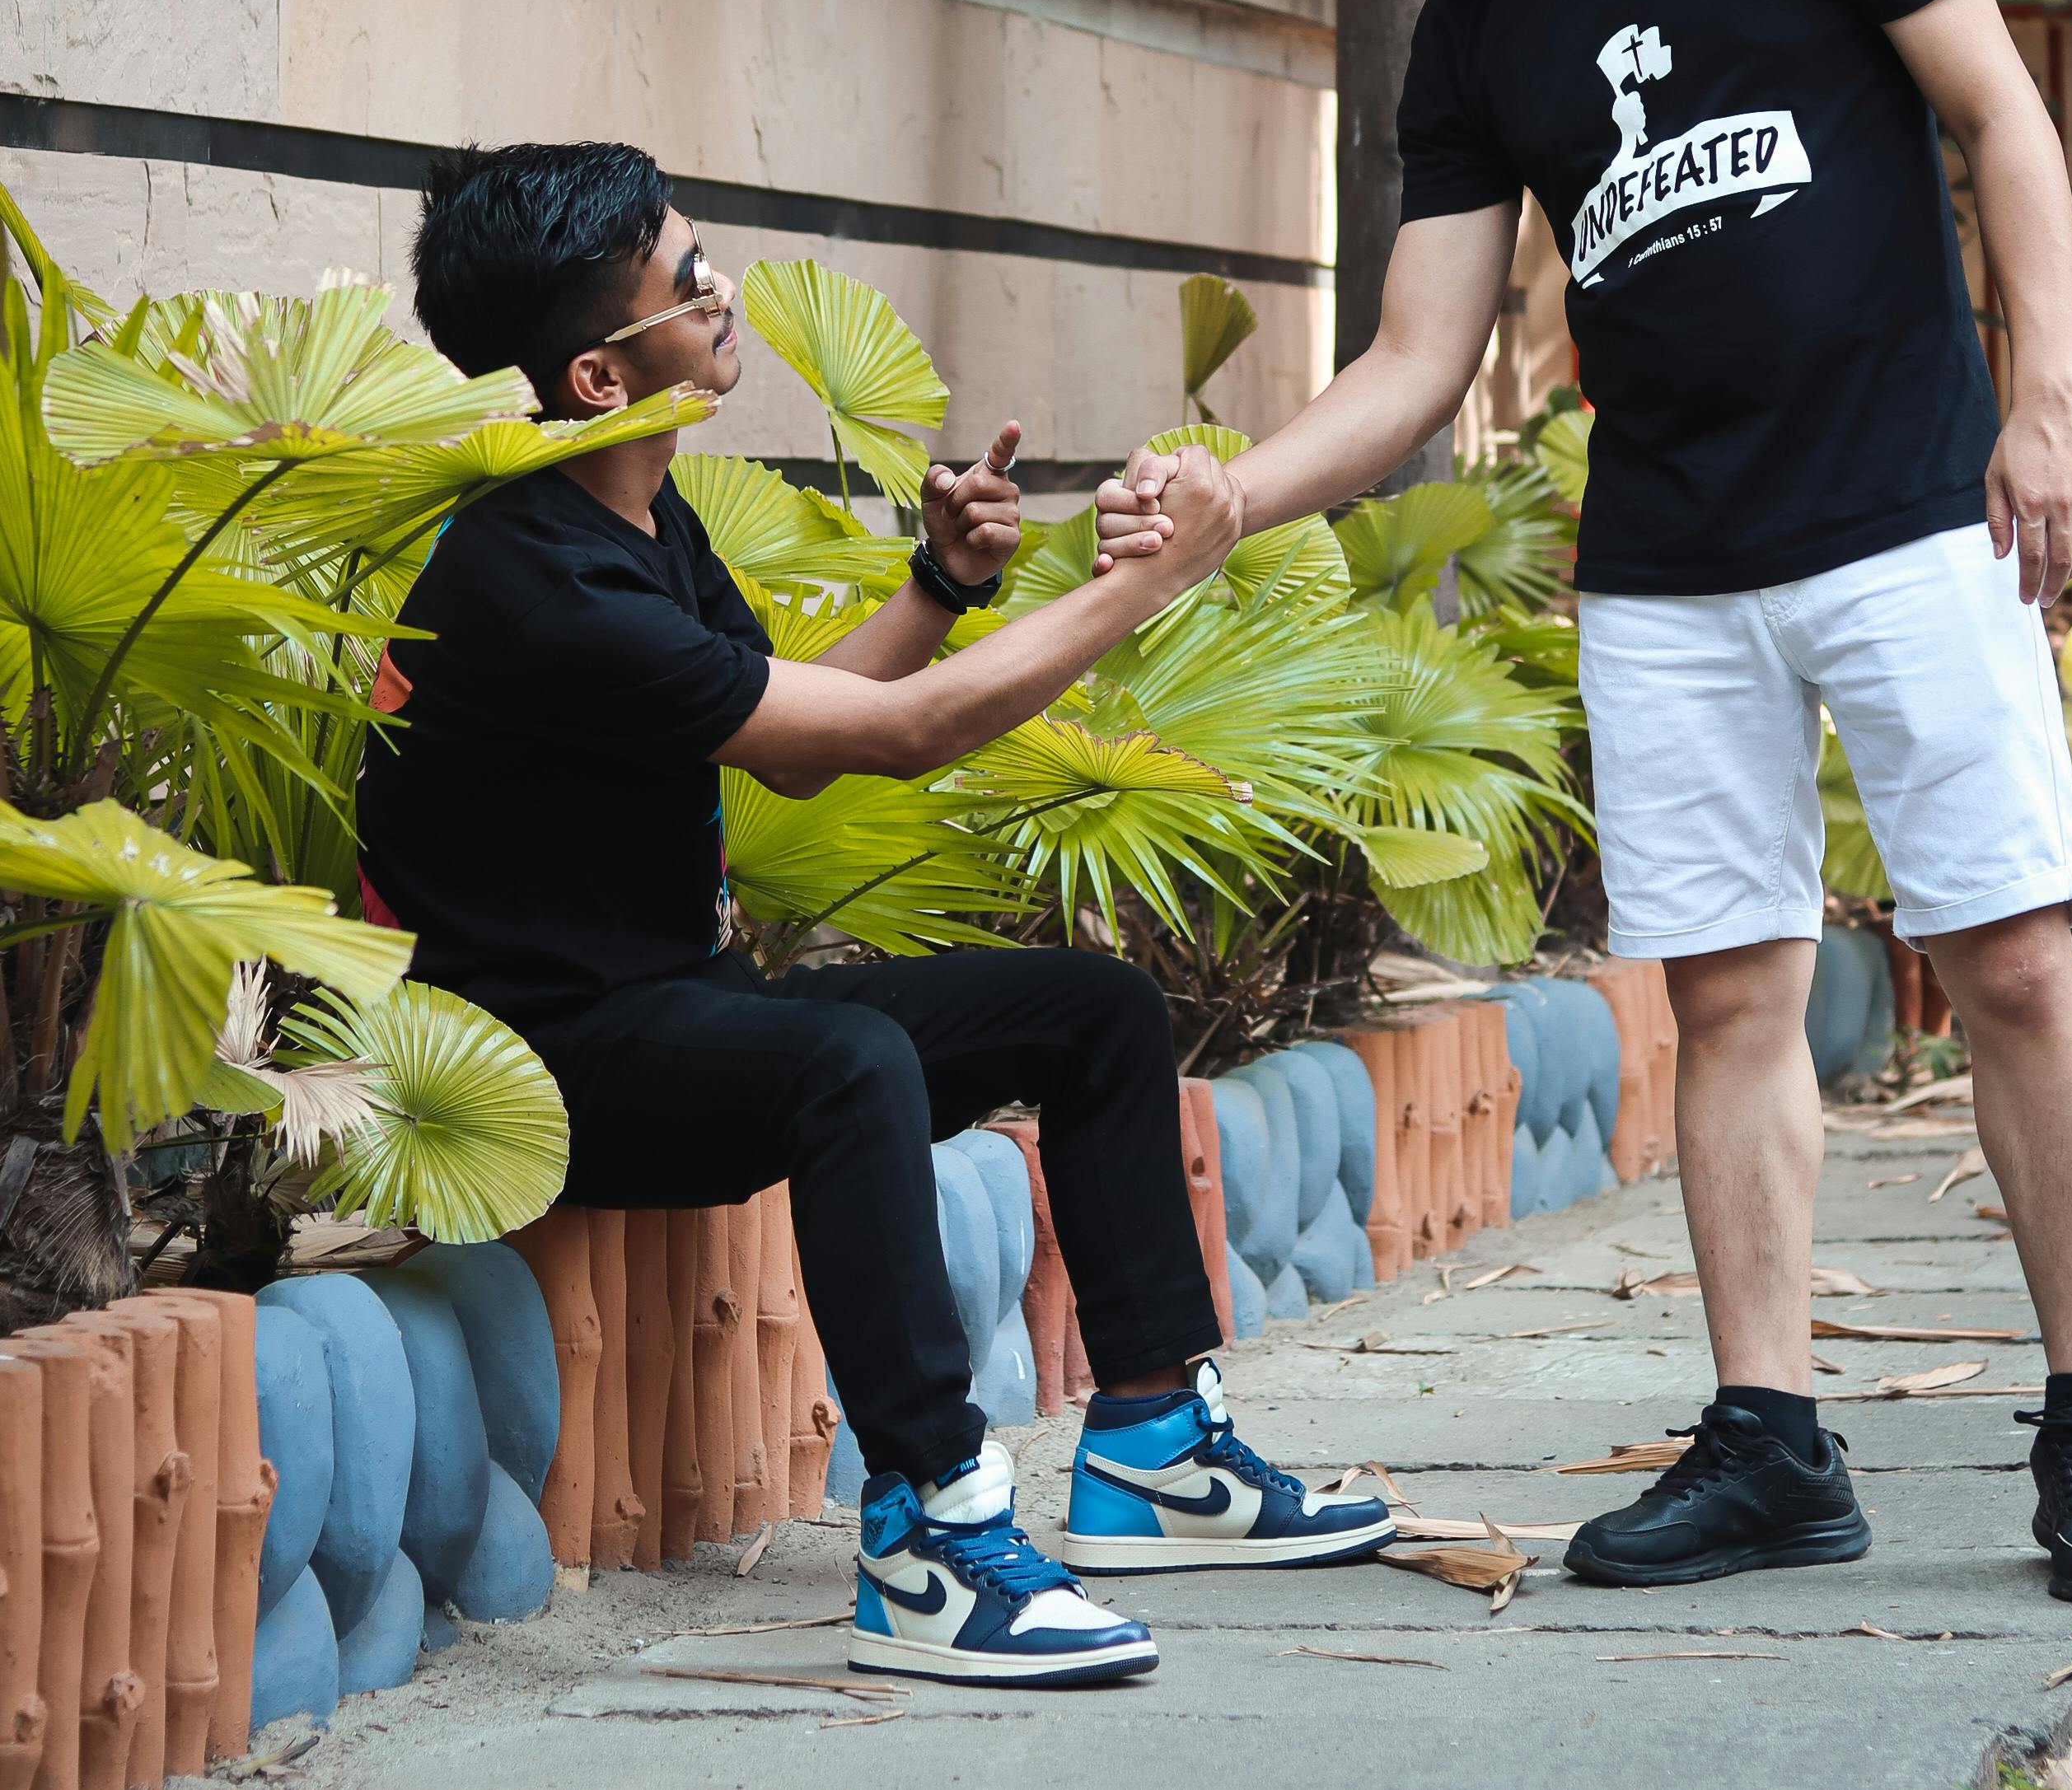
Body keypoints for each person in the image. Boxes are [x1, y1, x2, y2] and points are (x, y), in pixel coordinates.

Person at [1092, 0, 2072, 1607]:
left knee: (2023, 957)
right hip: (1670, 568)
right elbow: (1417, 361)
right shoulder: (1479, 25)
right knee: (1731, 991)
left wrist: (2048, 395)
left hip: (1904, 513)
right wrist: (1237, 490)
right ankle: (1771, 1439)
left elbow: (2006, 121)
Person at [356, 140, 1392, 1691]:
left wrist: (939, 583)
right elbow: (894, 740)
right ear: (592, 369)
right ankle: (929, 1530)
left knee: (1091, 1011)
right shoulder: (530, 581)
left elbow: (799, 713)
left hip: (675, 1002)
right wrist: (1147, 582)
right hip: (552, 1061)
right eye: (686, 279)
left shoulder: (640, 517)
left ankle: (1154, 1444)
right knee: (848, 1063)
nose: (723, 294)